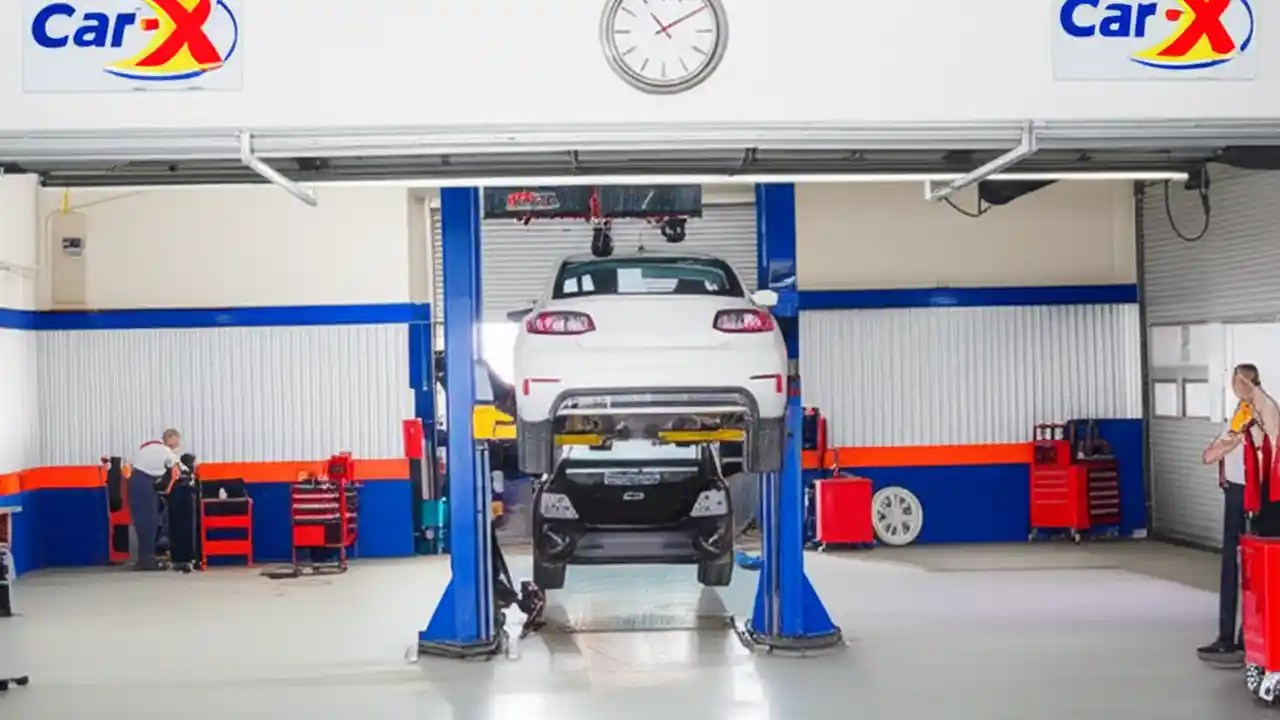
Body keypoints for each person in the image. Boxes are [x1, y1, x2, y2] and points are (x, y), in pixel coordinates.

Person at [1200, 365, 1280, 664]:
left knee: (1250, 570)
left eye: (1239, 382)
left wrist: (1254, 391)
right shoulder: (1241, 412)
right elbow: (1223, 444)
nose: (1236, 387)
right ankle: (1228, 637)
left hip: (1254, 498)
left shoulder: (1263, 409)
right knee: (1230, 566)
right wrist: (1215, 449)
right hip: (1236, 493)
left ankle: (1246, 636)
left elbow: (1270, 427)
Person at [129, 429, 184, 571]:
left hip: (137, 481)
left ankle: (146, 557)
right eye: (175, 443)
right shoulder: (165, 452)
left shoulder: (149, 448)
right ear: (170, 438)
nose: (175, 448)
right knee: (149, 521)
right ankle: (147, 560)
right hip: (143, 483)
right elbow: (180, 470)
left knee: (146, 521)